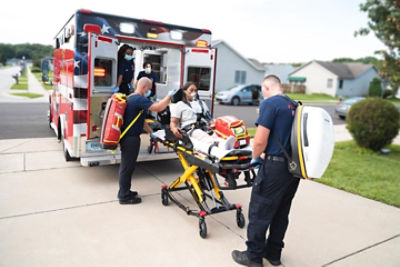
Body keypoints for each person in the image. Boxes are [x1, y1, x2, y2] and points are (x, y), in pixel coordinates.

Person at [231, 75, 300, 267]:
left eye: (262, 91)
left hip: (274, 167)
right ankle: (274, 254)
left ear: (266, 87)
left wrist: (255, 157)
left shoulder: (270, 104)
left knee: (259, 211)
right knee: (280, 212)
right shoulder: (294, 105)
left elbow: (260, 140)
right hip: (292, 169)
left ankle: (253, 257)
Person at [118, 77, 177, 204]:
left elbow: (141, 120)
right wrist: (169, 96)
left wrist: (151, 133)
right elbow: (158, 107)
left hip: (129, 138)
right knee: (127, 167)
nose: (149, 91)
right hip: (131, 139)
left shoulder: (131, 97)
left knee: (128, 166)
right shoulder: (139, 98)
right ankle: (124, 196)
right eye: (149, 89)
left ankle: (126, 191)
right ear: (144, 87)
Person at [169, 82, 235, 154]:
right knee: (203, 136)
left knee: (214, 134)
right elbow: (173, 122)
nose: (194, 92)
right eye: (191, 90)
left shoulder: (201, 103)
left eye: (195, 90)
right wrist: (174, 129)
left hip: (203, 126)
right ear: (185, 91)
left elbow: (209, 118)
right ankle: (220, 145)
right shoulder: (180, 105)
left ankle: (224, 144)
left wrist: (213, 124)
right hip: (190, 129)